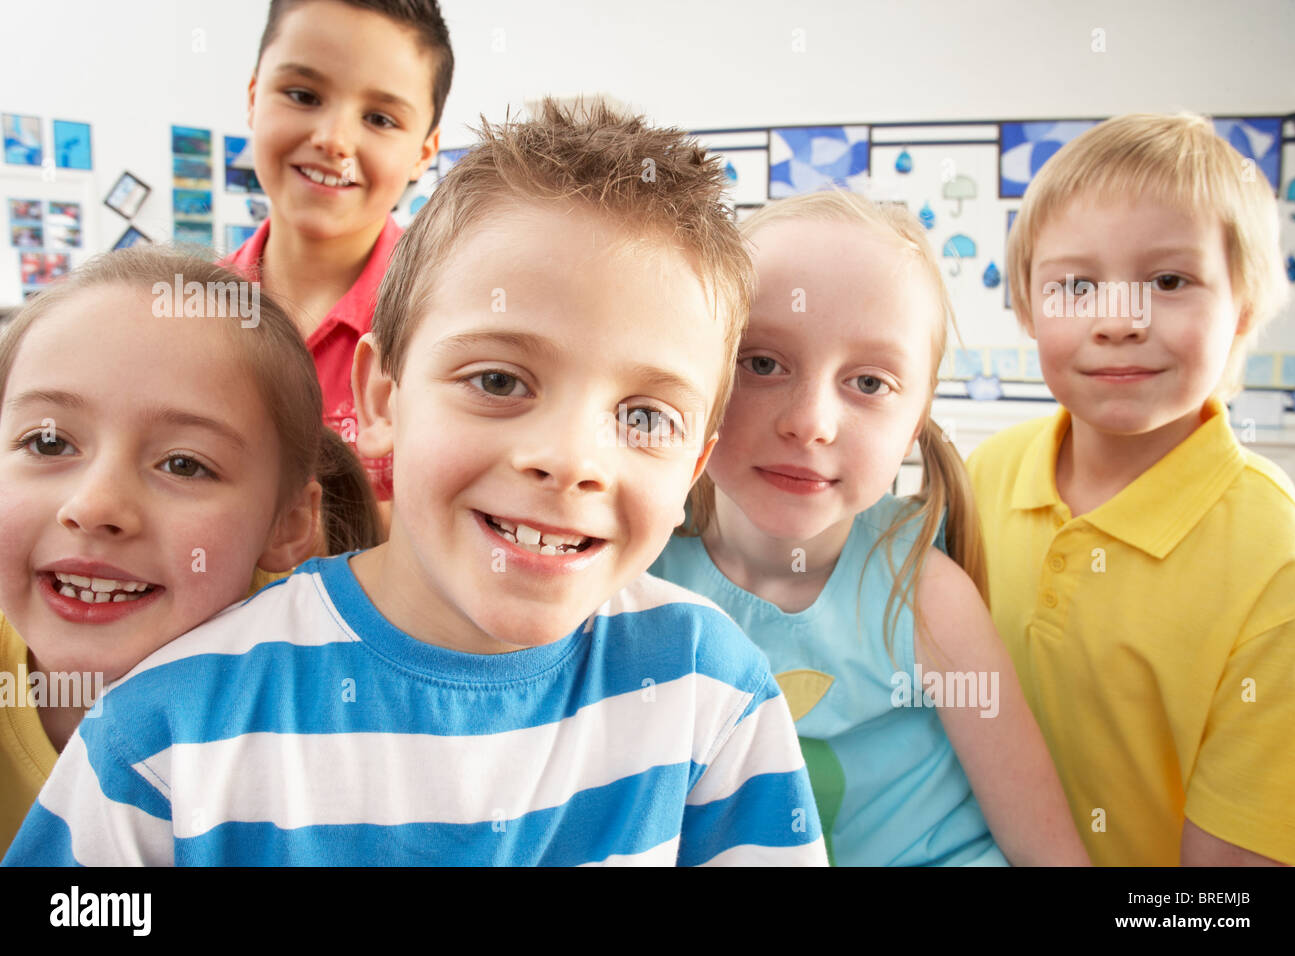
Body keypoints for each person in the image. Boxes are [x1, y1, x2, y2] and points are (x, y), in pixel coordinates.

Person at [4, 102, 826, 867]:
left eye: (646, 417)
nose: (571, 459)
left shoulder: (709, 686)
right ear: (382, 398)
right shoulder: (164, 732)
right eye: (500, 381)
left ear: (693, 465)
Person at [651, 190, 1088, 866]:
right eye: (762, 363)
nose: (811, 422)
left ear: (915, 421)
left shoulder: (926, 596)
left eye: (869, 383)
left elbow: (1047, 849)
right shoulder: (640, 571)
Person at [966, 113, 1295, 866]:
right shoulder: (986, 473)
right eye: (1075, 285)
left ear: (1243, 307)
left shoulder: (1277, 562)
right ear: (1025, 307)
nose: (1118, 320)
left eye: (1170, 280)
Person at [0, 249, 327, 854]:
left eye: (184, 464)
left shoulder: (326, 732)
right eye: (48, 442)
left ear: (286, 524)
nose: (94, 506)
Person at [225, 0, 454, 522]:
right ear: (255, 98)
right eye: (303, 95)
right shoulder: (183, 314)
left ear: (424, 151)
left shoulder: (453, 321)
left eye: (379, 118)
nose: (333, 139)